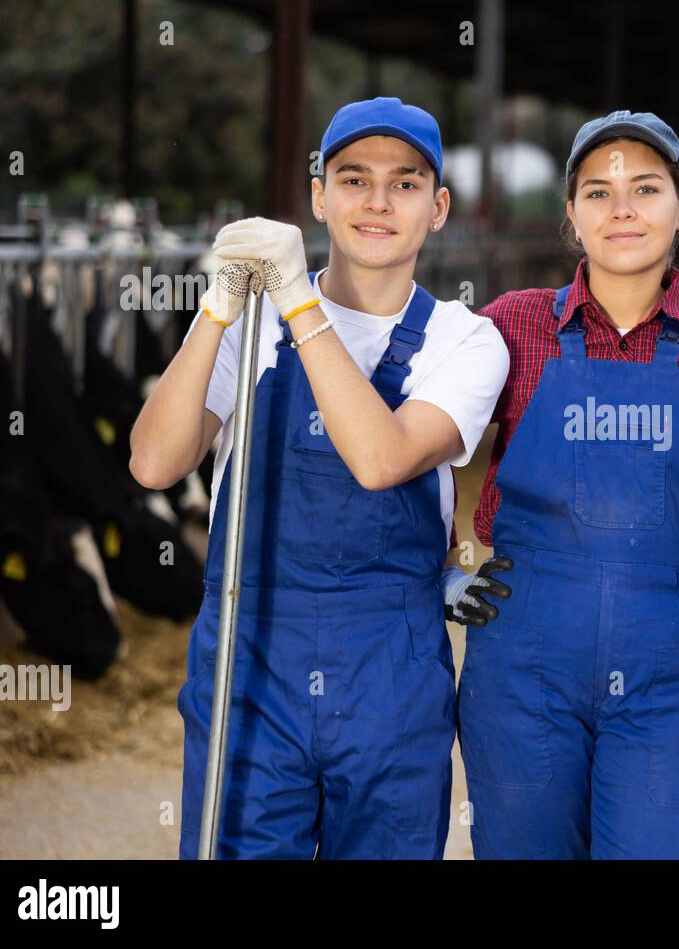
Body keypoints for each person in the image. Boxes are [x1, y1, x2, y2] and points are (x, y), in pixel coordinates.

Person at [130, 97, 509, 859]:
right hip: (249, 657)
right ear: (317, 196)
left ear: (437, 208)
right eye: (352, 178)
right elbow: (154, 462)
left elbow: (382, 460)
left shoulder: (465, 340)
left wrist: (296, 301)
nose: (376, 202)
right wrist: (217, 308)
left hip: (389, 676)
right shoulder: (247, 324)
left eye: (404, 184)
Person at [444, 110, 679, 859]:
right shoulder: (511, 326)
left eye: (645, 188)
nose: (623, 210)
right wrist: (439, 563)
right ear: (572, 217)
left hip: (667, 678)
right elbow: (418, 439)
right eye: (598, 193)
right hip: (520, 673)